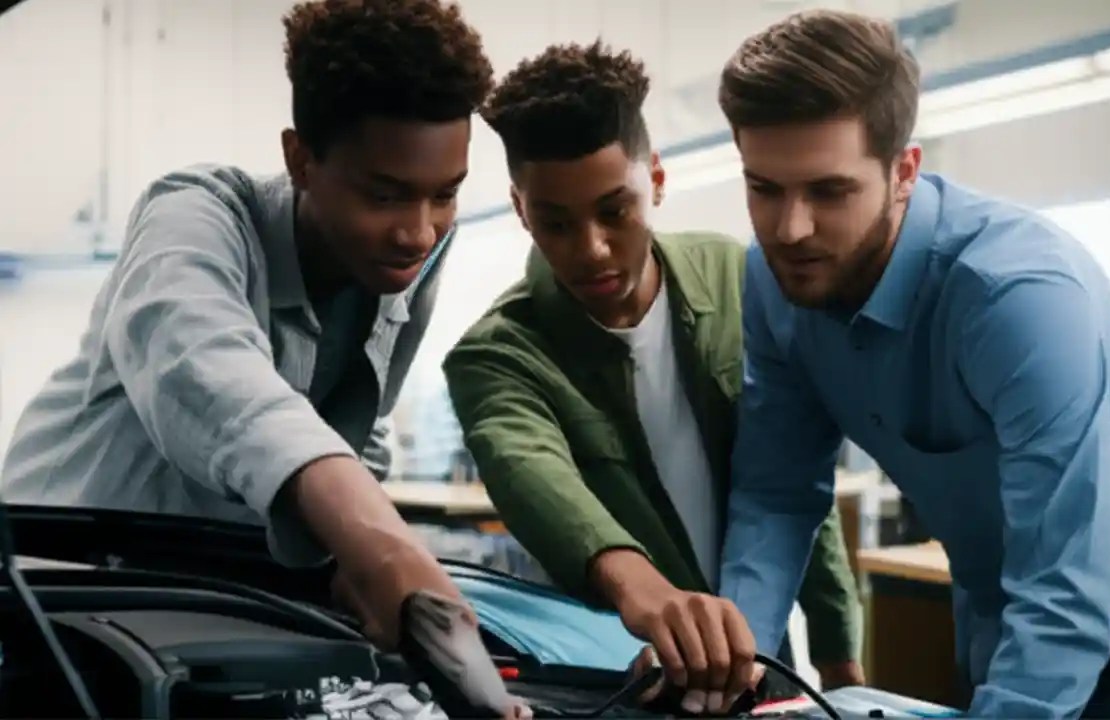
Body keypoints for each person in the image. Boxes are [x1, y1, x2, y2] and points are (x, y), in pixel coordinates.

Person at [0, 2, 525, 714]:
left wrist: (352, 559)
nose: (419, 231)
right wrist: (377, 540)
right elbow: (212, 374)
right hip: (61, 591)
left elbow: (357, 420)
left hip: (218, 607)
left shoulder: (406, 259)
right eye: (384, 194)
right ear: (300, 157)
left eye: (447, 194)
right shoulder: (195, 214)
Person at [713, 10, 1110, 719]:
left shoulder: (1014, 295)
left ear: (903, 172)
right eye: (764, 189)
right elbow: (776, 492)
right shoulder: (771, 278)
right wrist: (736, 661)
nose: (789, 230)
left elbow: (1065, 580)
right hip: (990, 565)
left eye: (829, 191)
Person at [442, 40, 865, 715]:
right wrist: (649, 596)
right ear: (523, 212)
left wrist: (843, 664)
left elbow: (796, 479)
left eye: (615, 210)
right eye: (556, 222)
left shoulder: (737, 278)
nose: (593, 249)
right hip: (619, 675)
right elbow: (535, 482)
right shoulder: (495, 357)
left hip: (765, 657)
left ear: (657, 182)